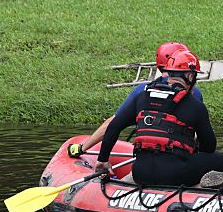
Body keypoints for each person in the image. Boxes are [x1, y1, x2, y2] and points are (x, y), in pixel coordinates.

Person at [95, 50, 223, 187]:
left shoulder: (142, 97)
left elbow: (114, 126)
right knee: (221, 160)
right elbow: (209, 148)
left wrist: (103, 159)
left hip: (140, 173)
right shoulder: (195, 106)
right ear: (190, 76)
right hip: (174, 176)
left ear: (169, 73)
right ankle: (198, 189)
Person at [68, 41, 203, 158]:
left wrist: (82, 148)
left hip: (147, 160)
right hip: (181, 158)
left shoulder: (144, 90)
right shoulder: (195, 92)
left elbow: (113, 124)